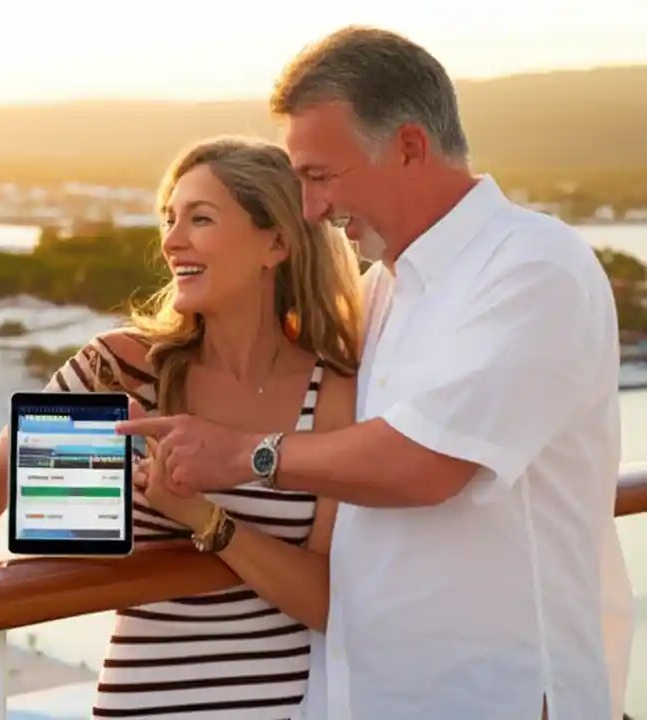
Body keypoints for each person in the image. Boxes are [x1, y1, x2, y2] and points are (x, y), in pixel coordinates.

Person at [117, 26, 634, 720]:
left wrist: (243, 454)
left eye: (321, 178)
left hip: (496, 697)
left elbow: (425, 464)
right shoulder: (381, 291)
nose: (311, 210)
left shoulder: (533, 269)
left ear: (410, 148)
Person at [0, 135, 364, 718]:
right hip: (141, 705)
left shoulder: (334, 389)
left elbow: (323, 599)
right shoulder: (121, 366)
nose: (171, 241)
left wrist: (202, 516)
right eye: (169, 219)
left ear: (277, 242)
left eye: (201, 218)